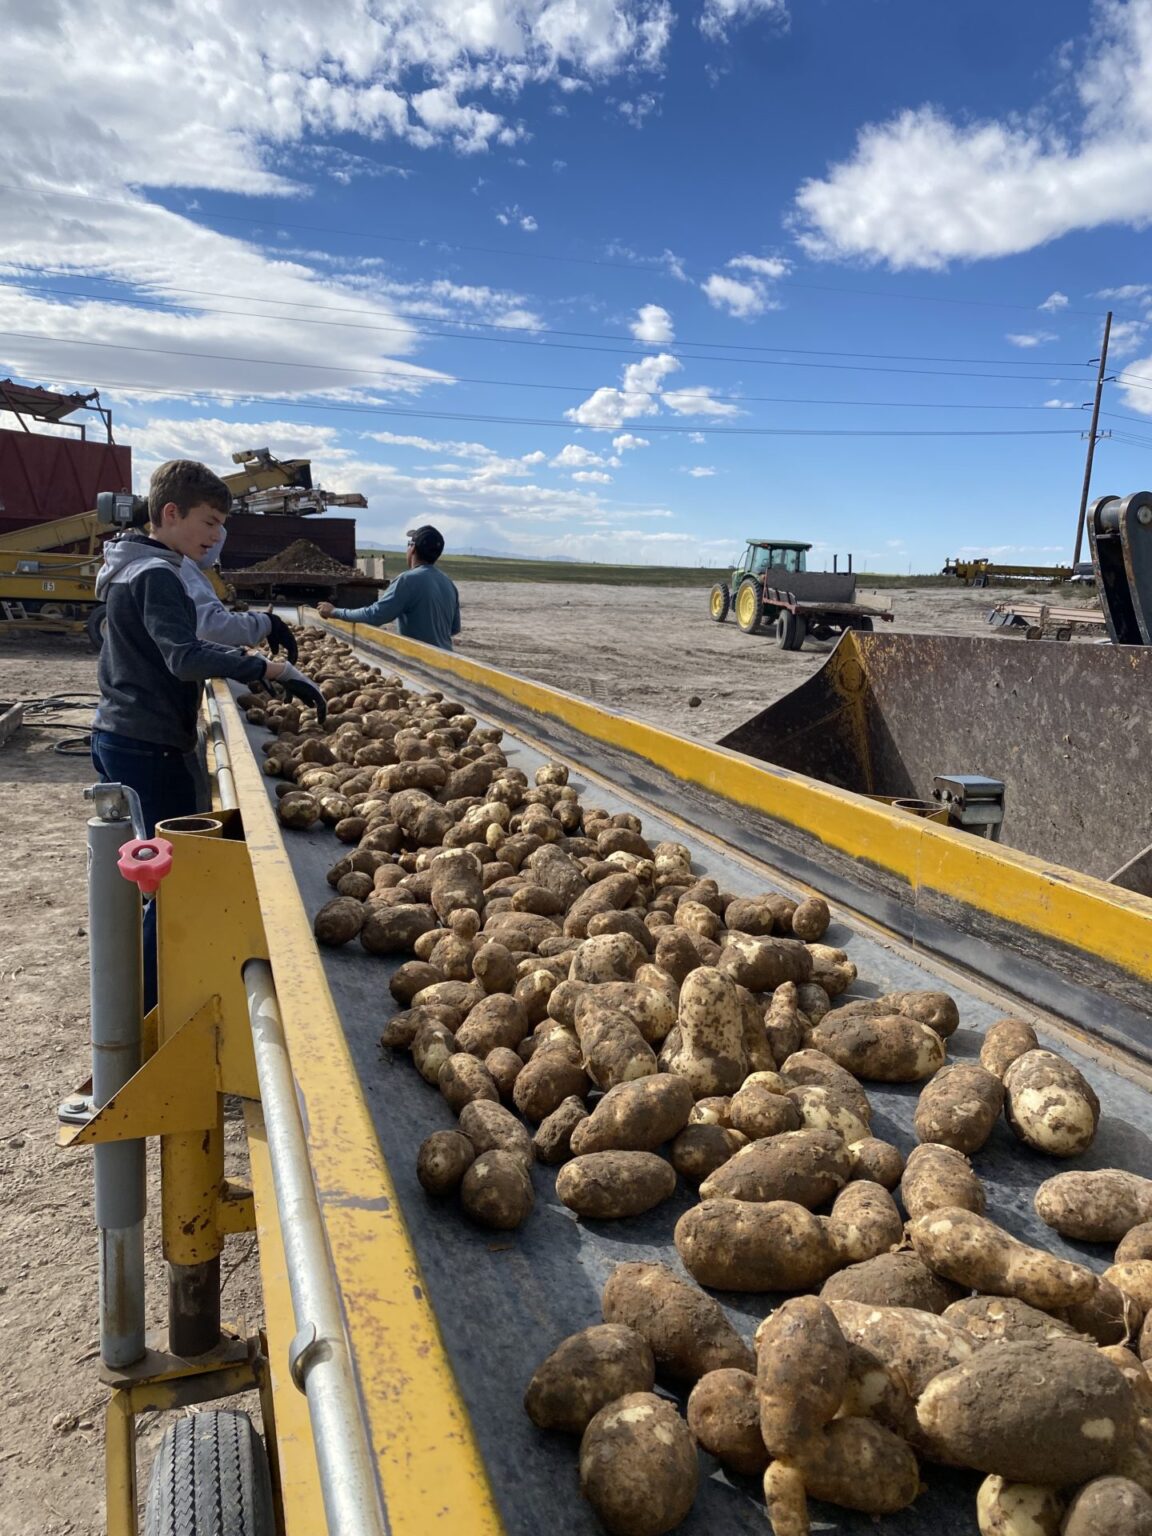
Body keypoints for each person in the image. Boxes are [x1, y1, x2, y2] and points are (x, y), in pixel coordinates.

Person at [92, 458, 325, 1007]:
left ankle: (148, 995)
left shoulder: (131, 563)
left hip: (124, 732)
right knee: (174, 880)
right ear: (171, 513)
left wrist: (249, 658)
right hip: (149, 745)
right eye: (210, 522)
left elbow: (174, 646)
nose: (217, 535)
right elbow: (183, 656)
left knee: (153, 873)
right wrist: (268, 668)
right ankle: (156, 1009)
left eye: (222, 525)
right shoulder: (157, 574)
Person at [317, 523, 461, 650]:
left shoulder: (407, 580)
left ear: (412, 548)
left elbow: (375, 615)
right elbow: (454, 628)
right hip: (447, 658)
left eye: (409, 544)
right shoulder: (449, 583)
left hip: (422, 660)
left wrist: (335, 612)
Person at [180, 525, 298, 661]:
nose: (217, 537)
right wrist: (268, 623)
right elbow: (210, 629)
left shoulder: (175, 562)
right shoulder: (182, 565)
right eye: (210, 523)